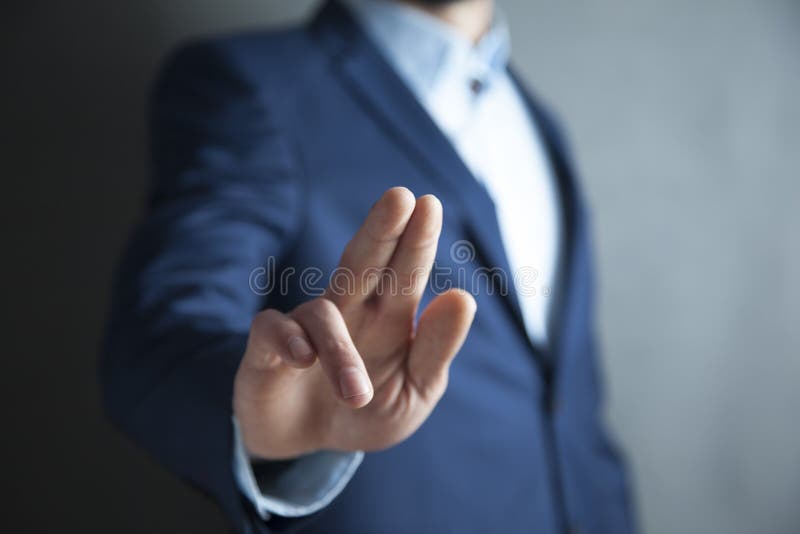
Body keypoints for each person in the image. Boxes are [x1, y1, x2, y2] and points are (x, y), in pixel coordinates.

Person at [102, 0, 635, 532]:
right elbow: (157, 338)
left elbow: (563, 402)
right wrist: (256, 424)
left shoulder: (539, 122)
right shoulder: (251, 85)